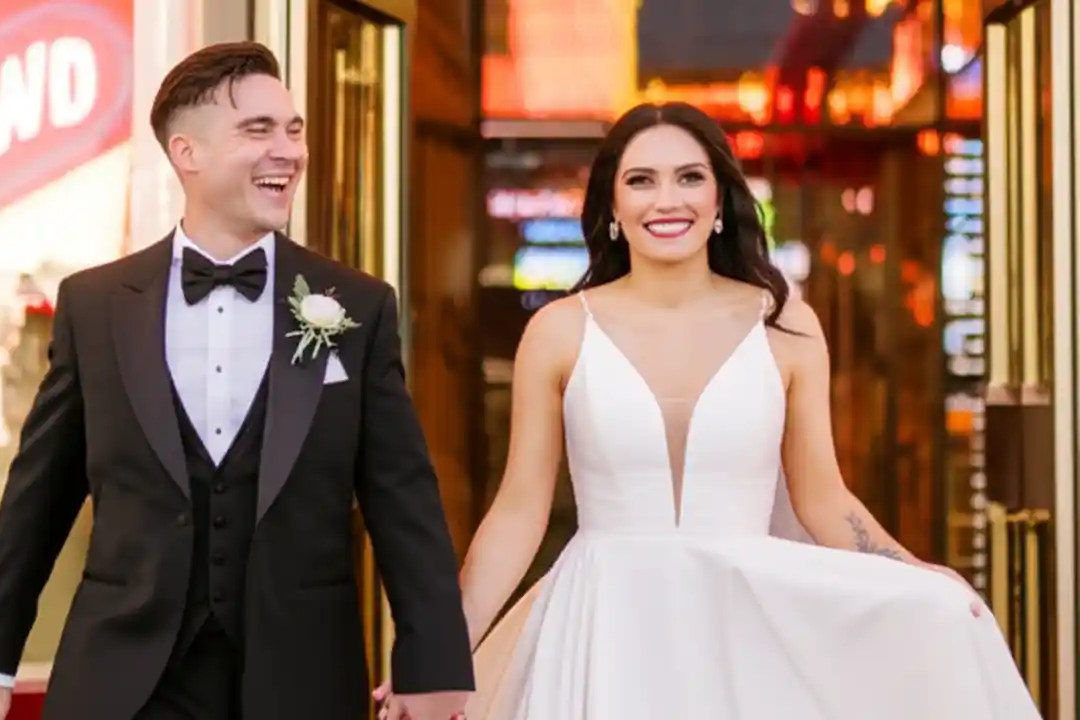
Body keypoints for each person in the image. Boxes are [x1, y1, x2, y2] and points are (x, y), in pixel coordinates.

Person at [379, 102, 1041, 719]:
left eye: (689, 177)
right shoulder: (559, 330)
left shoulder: (787, 324)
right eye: (641, 180)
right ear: (612, 203)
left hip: (746, 622)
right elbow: (519, 513)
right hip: (605, 622)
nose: (667, 200)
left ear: (719, 197)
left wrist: (922, 575)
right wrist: (434, 648)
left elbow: (824, 500)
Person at [0, 42, 473, 720]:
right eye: (258, 131)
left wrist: (432, 663)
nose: (288, 150)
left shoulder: (357, 305)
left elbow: (402, 498)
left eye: (293, 130)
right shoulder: (96, 305)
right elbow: (37, 500)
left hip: (302, 676)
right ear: (185, 154)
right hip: (124, 681)